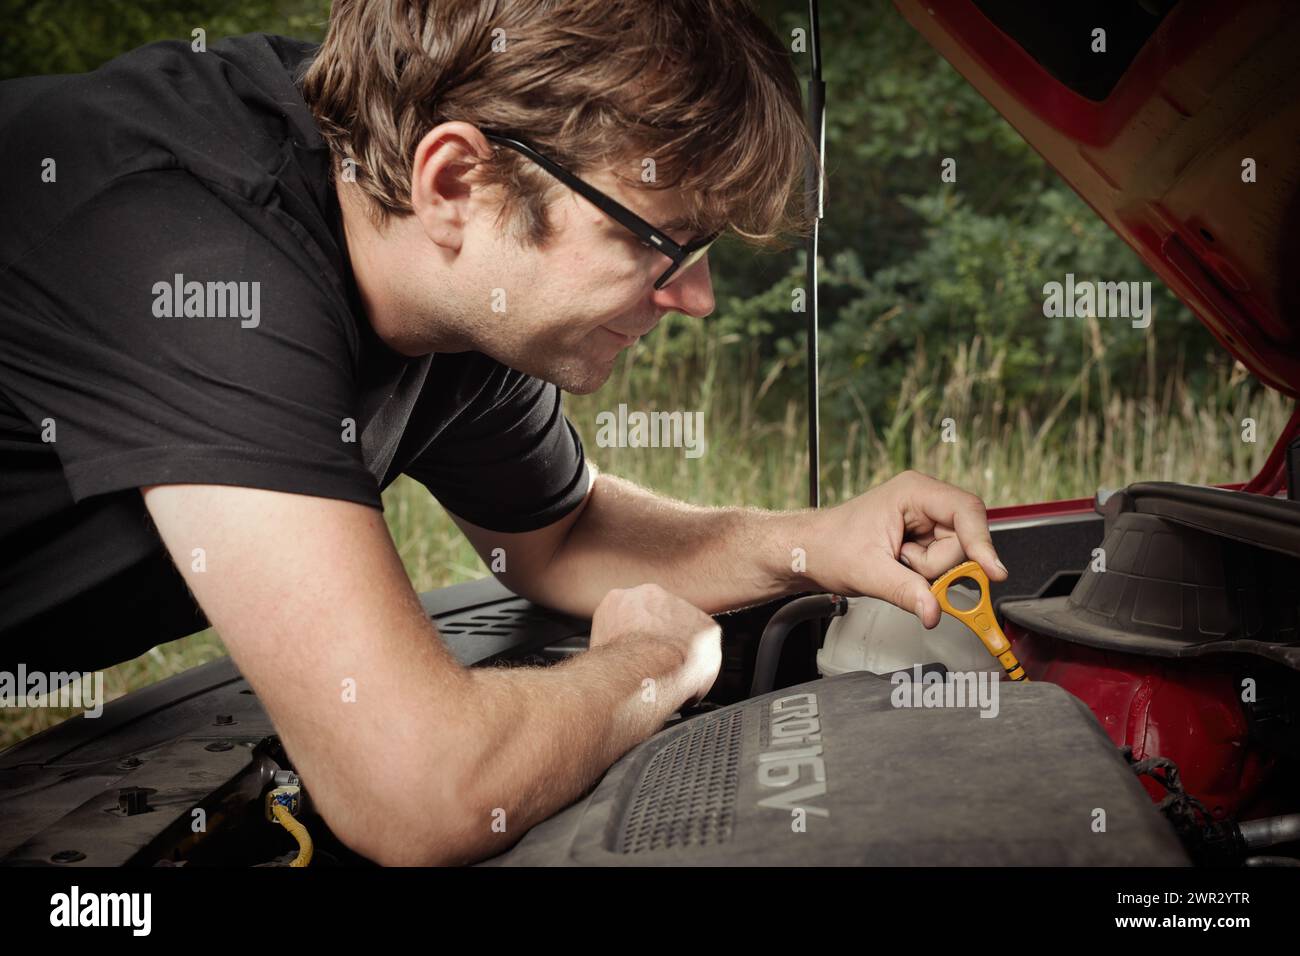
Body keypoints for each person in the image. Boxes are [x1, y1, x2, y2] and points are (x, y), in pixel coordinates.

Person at [0, 0, 1005, 864]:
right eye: (659, 241)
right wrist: (652, 663)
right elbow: (417, 784)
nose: (695, 296)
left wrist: (810, 540)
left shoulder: (454, 295)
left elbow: (558, 538)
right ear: (456, 184)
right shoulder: (196, 255)